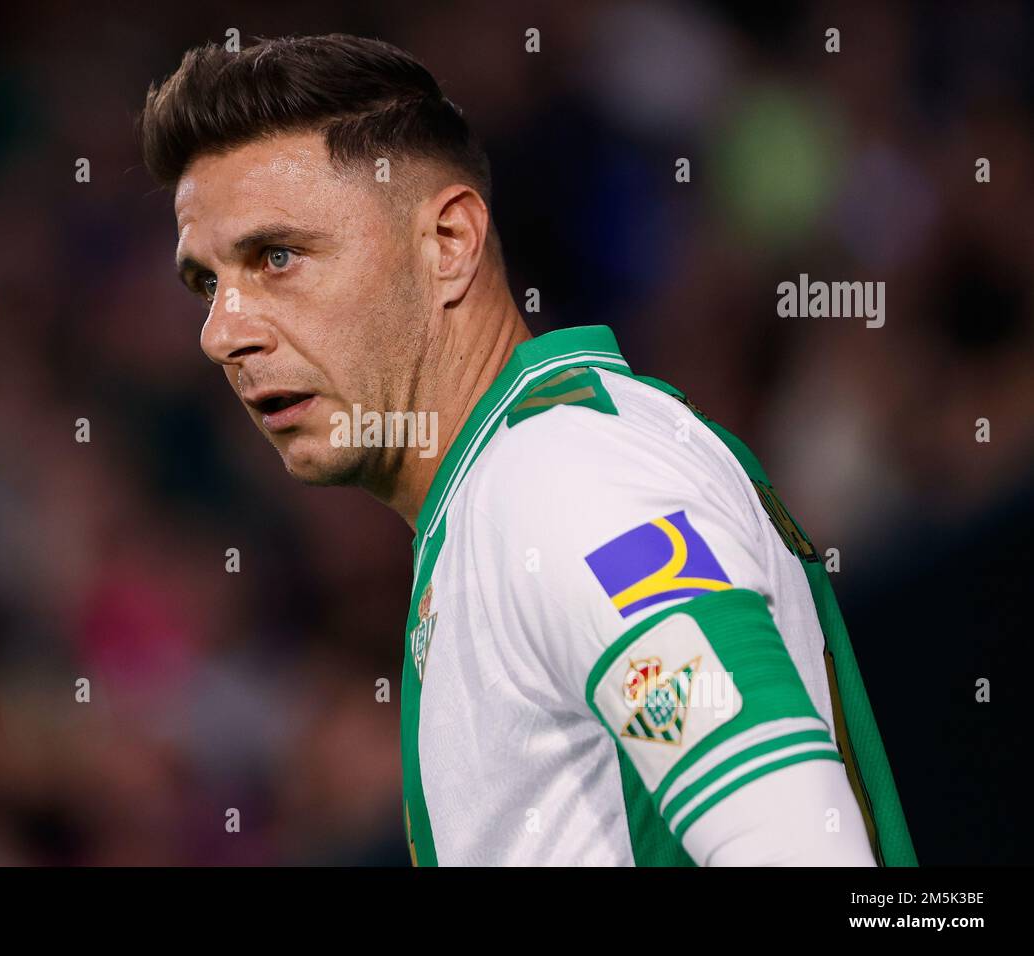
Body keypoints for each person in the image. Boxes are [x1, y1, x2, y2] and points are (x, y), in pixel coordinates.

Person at [138, 33, 916, 866]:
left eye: (277, 256)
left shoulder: (565, 481)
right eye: (207, 284)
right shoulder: (495, 505)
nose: (222, 333)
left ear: (448, 243)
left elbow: (799, 848)